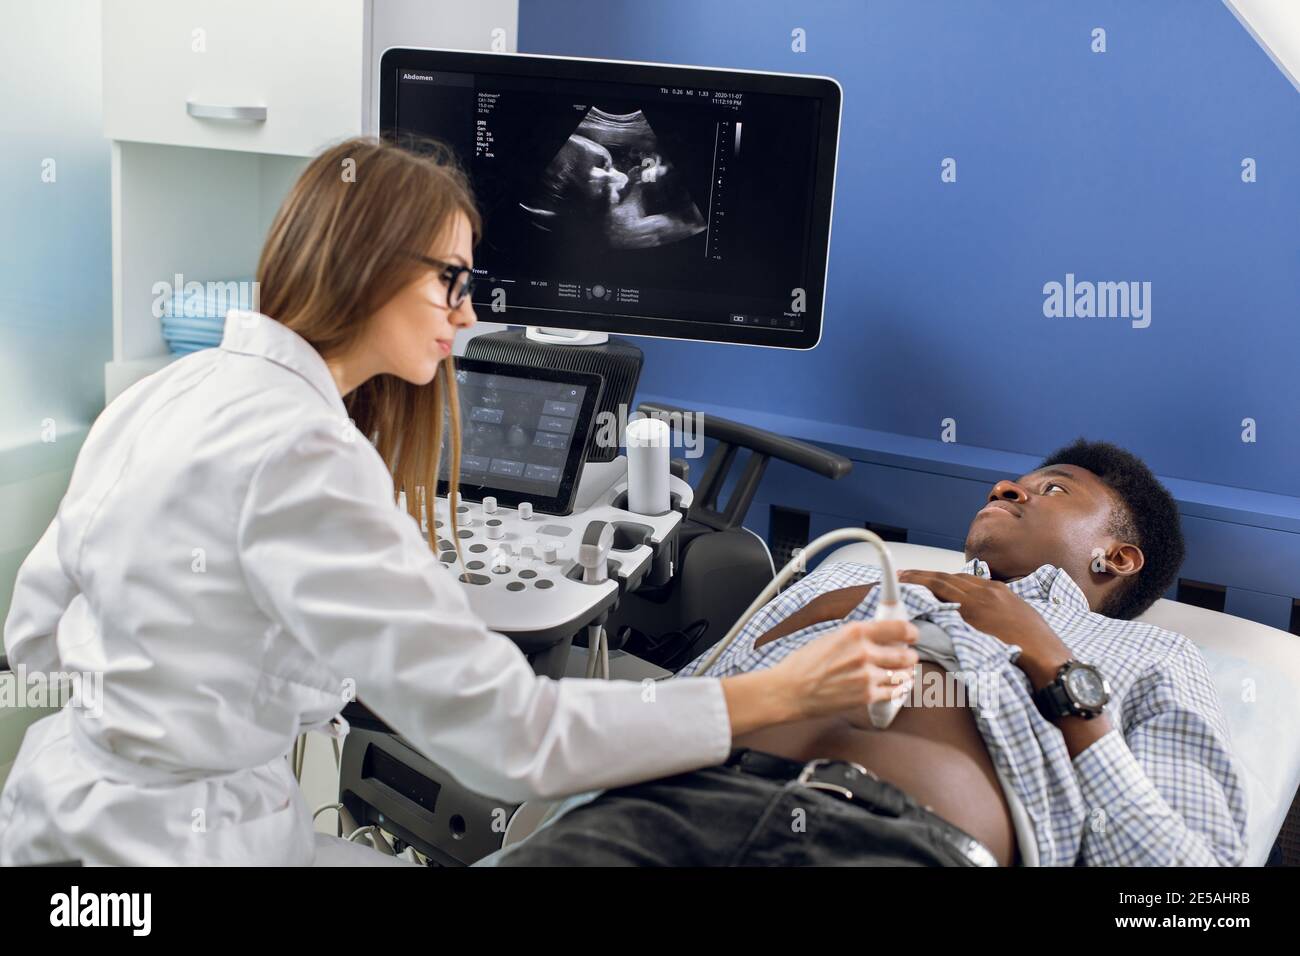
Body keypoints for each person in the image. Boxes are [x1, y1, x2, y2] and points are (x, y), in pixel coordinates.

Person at [0, 137, 913, 866]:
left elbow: (33, 638)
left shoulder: (172, 388)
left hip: (61, 809)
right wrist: (780, 692)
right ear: (363, 264)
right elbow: (513, 742)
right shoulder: (305, 452)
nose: (468, 314)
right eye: (451, 279)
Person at [491, 440, 1249, 866]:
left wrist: (1052, 665)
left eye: (1050, 489)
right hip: (668, 811)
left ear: (1118, 558)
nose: (1008, 488)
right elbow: (683, 705)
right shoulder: (856, 570)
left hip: (901, 845)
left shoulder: (1154, 655)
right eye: (1014, 480)